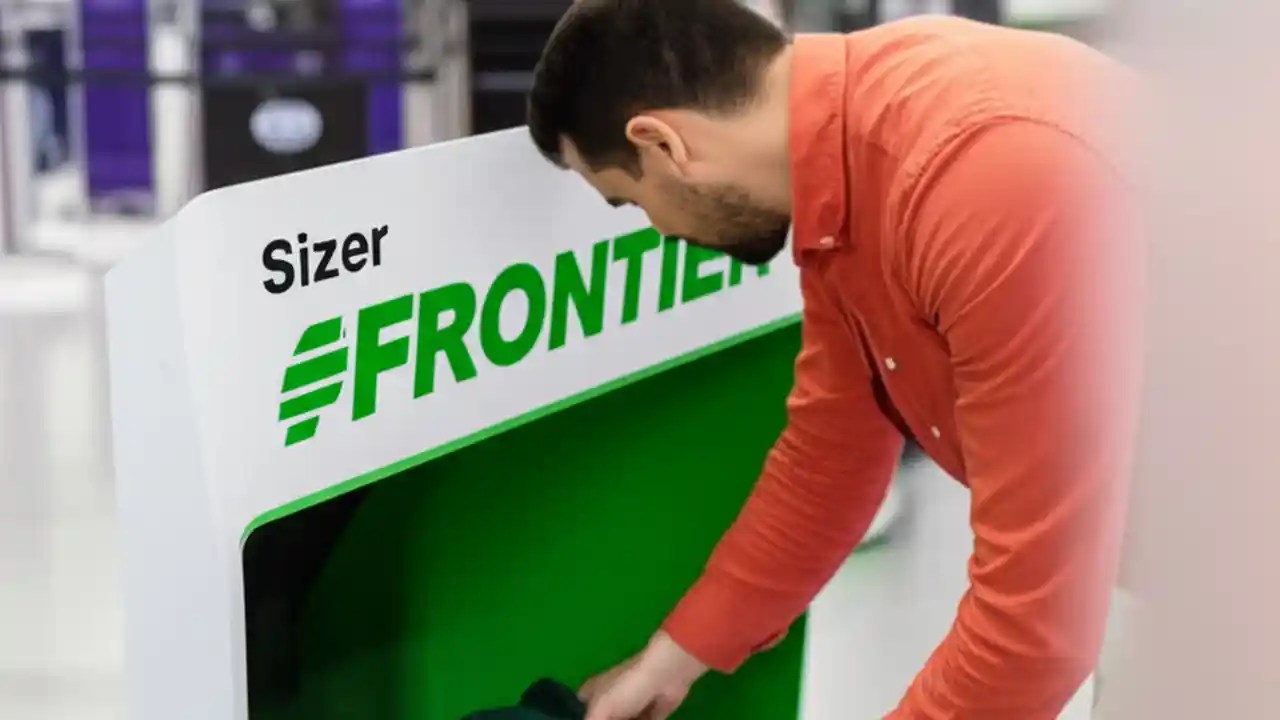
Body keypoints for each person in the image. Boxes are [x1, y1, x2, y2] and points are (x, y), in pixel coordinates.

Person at [527, 2, 1140, 718]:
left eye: (630, 202)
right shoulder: (855, 148)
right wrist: (673, 659)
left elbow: (1036, 627)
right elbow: (830, 455)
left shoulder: (980, 177)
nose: (661, 230)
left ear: (663, 146)